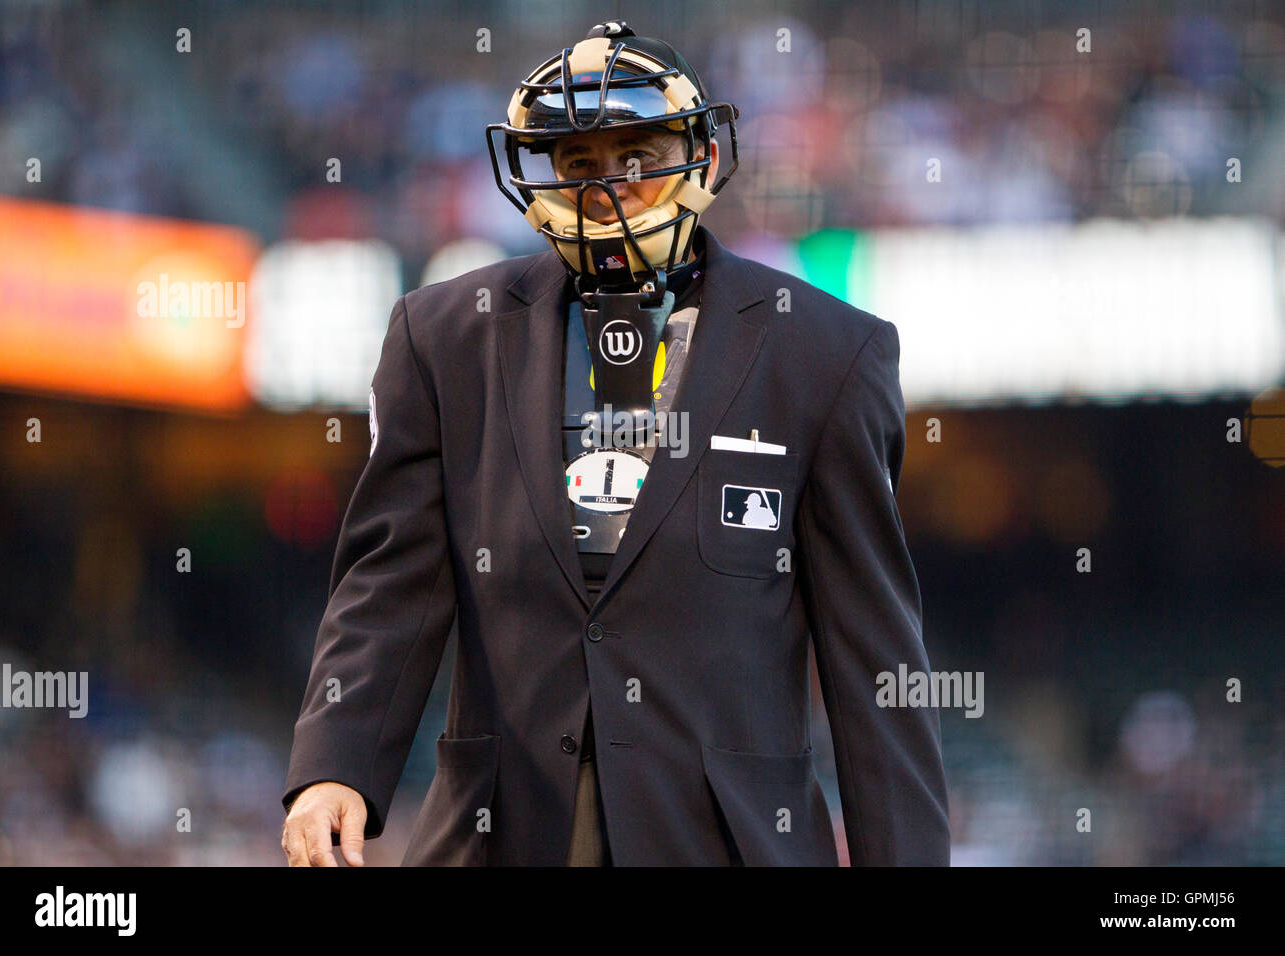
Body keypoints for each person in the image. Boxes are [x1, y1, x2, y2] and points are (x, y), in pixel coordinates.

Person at [281, 20, 949, 867]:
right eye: (579, 162)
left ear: (701, 157)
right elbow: (389, 584)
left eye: (633, 153)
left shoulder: (826, 352)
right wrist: (336, 766)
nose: (605, 185)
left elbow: (874, 659)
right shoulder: (443, 337)